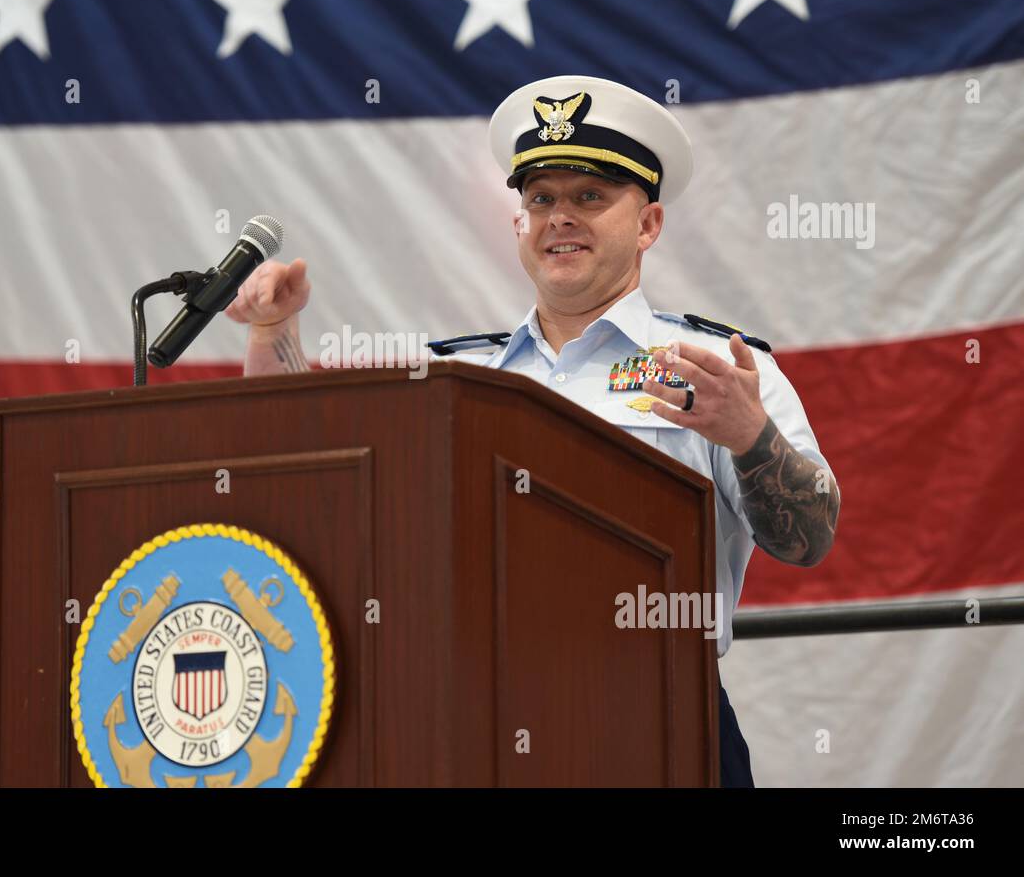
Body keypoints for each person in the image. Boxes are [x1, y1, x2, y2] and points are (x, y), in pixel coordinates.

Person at [226, 75, 840, 788]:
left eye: (589, 197)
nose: (559, 218)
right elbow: (311, 476)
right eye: (540, 199)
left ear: (648, 225)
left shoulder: (717, 371)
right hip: (467, 731)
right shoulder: (448, 374)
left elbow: (811, 536)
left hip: (655, 726)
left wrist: (749, 434)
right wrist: (274, 334)